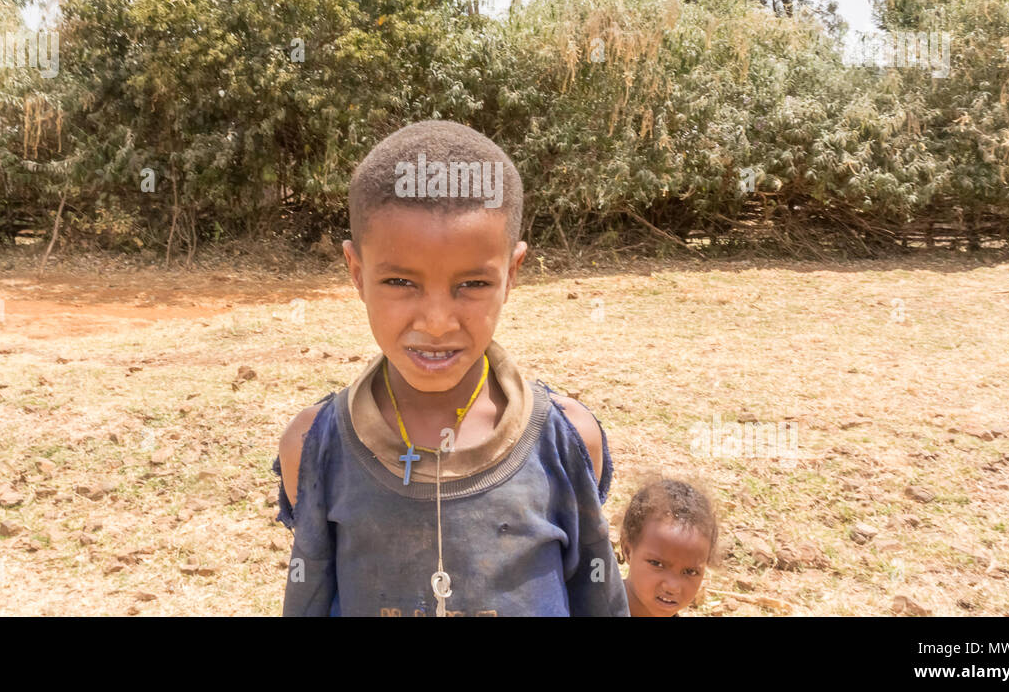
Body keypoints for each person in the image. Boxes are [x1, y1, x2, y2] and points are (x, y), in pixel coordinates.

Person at [273, 119, 629, 616]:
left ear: (512, 273)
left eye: (472, 285)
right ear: (357, 273)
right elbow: (311, 595)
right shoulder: (315, 446)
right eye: (400, 281)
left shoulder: (566, 438)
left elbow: (597, 597)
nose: (437, 323)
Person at [619, 477, 718, 617]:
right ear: (628, 551)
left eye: (690, 572)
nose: (672, 587)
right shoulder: (590, 607)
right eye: (657, 564)